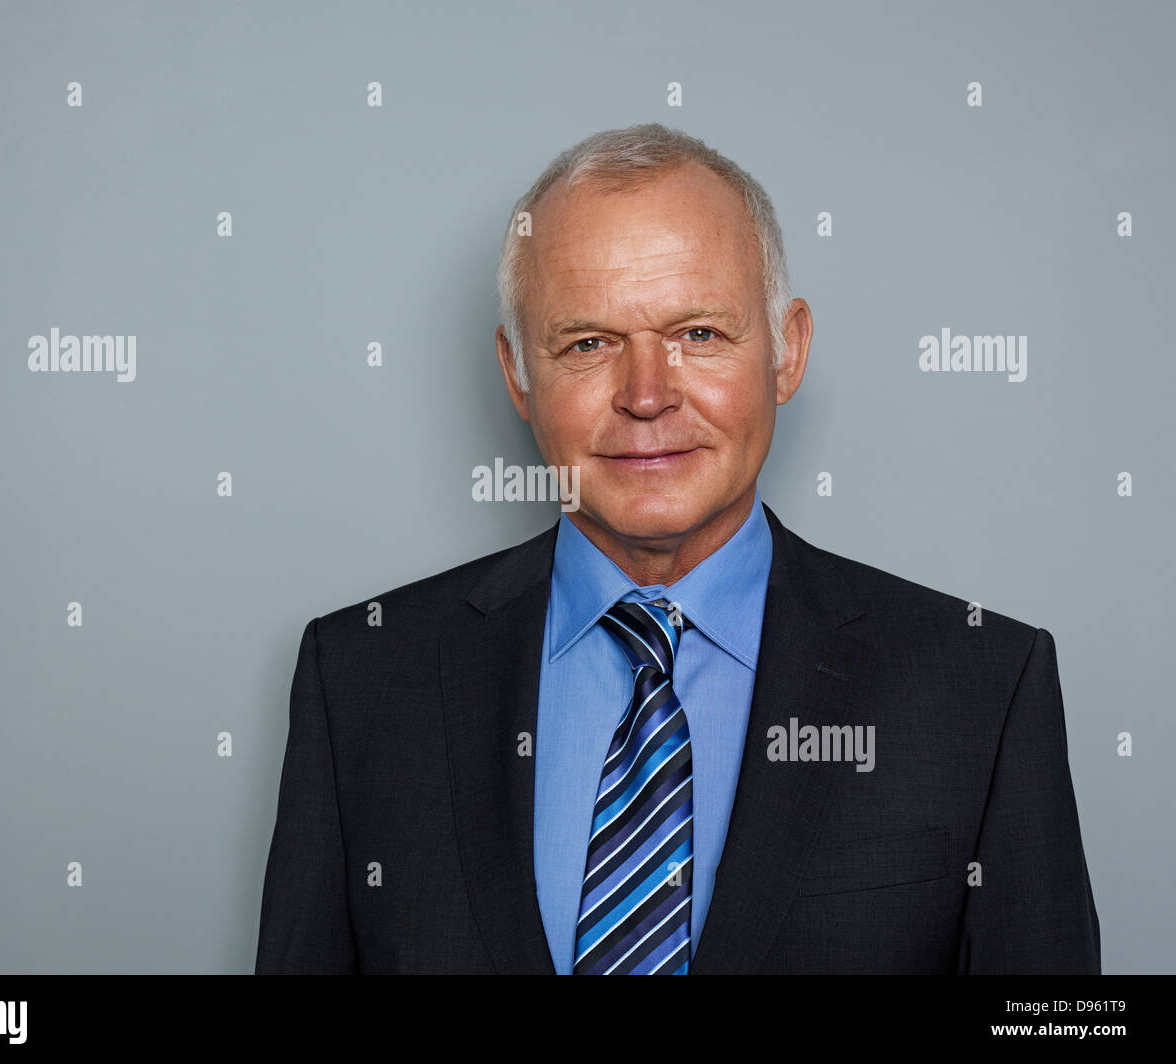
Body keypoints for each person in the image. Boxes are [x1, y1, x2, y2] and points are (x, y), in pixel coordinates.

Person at [254, 123, 1101, 974]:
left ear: (788, 350)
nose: (647, 396)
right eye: (588, 343)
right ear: (517, 372)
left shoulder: (982, 689)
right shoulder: (361, 677)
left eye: (698, 334)